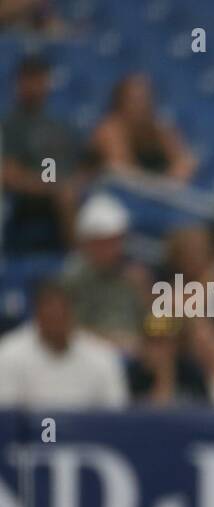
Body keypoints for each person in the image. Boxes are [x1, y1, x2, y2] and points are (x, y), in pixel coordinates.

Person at [0, 281, 128, 409]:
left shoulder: (102, 356)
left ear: (72, 314)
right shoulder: (8, 353)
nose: (56, 319)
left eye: (62, 312)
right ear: (37, 314)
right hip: (29, 429)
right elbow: (6, 419)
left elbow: (116, 416)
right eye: (50, 313)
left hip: (85, 429)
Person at [1, 54, 82, 252]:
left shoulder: (59, 123)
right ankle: (79, 259)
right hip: (30, 201)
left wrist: (79, 180)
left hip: (68, 189)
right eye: (29, 79)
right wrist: (51, 187)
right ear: (18, 83)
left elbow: (79, 163)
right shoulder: (11, 125)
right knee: (67, 196)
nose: (35, 86)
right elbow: (9, 175)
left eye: (39, 79)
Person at [59, 193, 149, 351]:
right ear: (87, 243)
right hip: (89, 355)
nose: (112, 249)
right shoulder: (73, 278)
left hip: (135, 355)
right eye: (103, 243)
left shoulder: (135, 275)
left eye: (116, 241)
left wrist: (145, 295)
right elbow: (66, 330)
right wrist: (111, 340)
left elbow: (152, 324)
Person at [90, 73, 196, 181]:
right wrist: (163, 186)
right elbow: (124, 174)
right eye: (134, 100)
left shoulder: (160, 129)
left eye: (146, 99)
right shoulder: (109, 129)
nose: (142, 106)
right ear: (120, 102)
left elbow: (185, 162)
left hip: (147, 190)